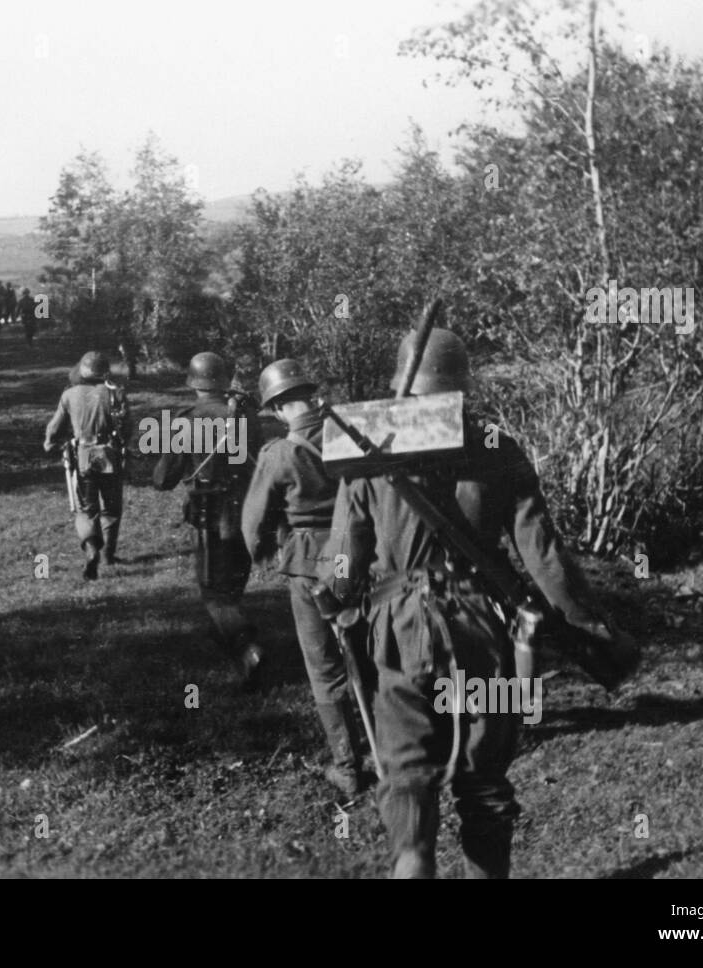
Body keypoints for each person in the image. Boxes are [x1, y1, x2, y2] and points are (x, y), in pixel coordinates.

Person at [319, 328, 639, 878]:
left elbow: (343, 563)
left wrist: (332, 596)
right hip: (483, 633)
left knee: (408, 794)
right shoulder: (493, 446)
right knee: (484, 786)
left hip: (400, 636)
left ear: (402, 380)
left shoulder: (363, 447)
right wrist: (596, 631)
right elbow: (547, 561)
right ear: (461, 384)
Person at [240, 359, 367, 797]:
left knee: (324, 664)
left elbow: (254, 523)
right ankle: (400, 745)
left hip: (310, 564)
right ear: (311, 395)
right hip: (363, 553)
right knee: (372, 649)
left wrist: (265, 553)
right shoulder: (352, 434)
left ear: (276, 409)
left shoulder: (279, 453)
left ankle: (348, 766)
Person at [154, 352, 265, 689]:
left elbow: (163, 479)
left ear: (193, 382)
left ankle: (248, 648)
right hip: (246, 511)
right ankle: (232, 641)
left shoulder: (186, 419)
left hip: (209, 515)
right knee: (232, 585)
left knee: (214, 593)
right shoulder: (246, 416)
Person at [44, 351, 130, 578]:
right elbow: (127, 428)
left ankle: (91, 547)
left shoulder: (70, 395)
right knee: (111, 508)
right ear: (105, 372)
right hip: (110, 456)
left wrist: (50, 443)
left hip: (83, 457)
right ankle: (108, 555)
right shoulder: (116, 393)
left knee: (86, 507)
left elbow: (55, 428)